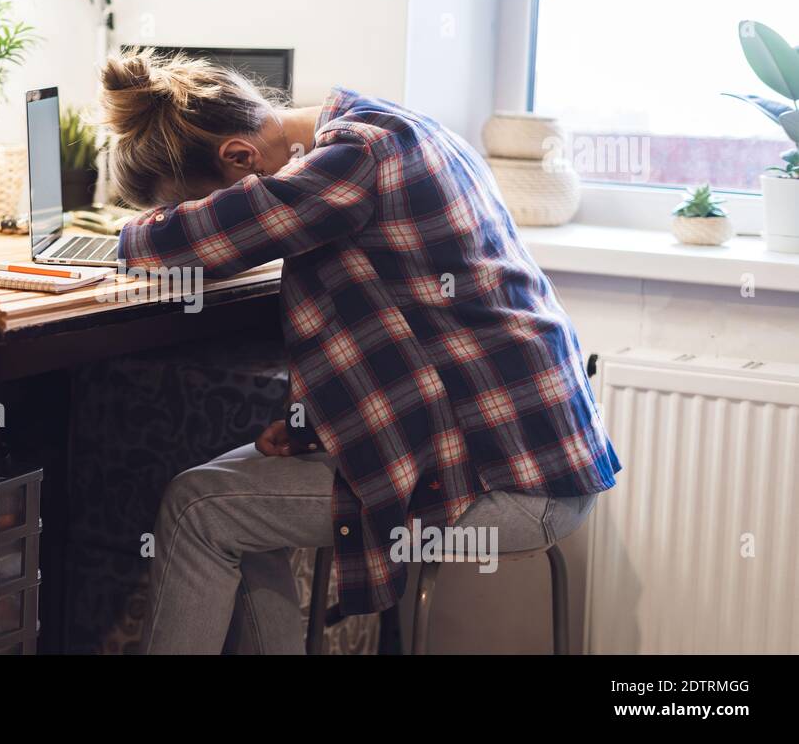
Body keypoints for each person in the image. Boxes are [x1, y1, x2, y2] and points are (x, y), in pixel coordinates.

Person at [99, 49, 622, 654]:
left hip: (514, 482)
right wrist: (316, 425)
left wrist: (134, 231)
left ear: (240, 158)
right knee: (232, 496)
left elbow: (187, 241)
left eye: (192, 199)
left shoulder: (355, 159)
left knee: (199, 510)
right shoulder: (379, 127)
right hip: (525, 453)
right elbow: (395, 330)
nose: (196, 211)